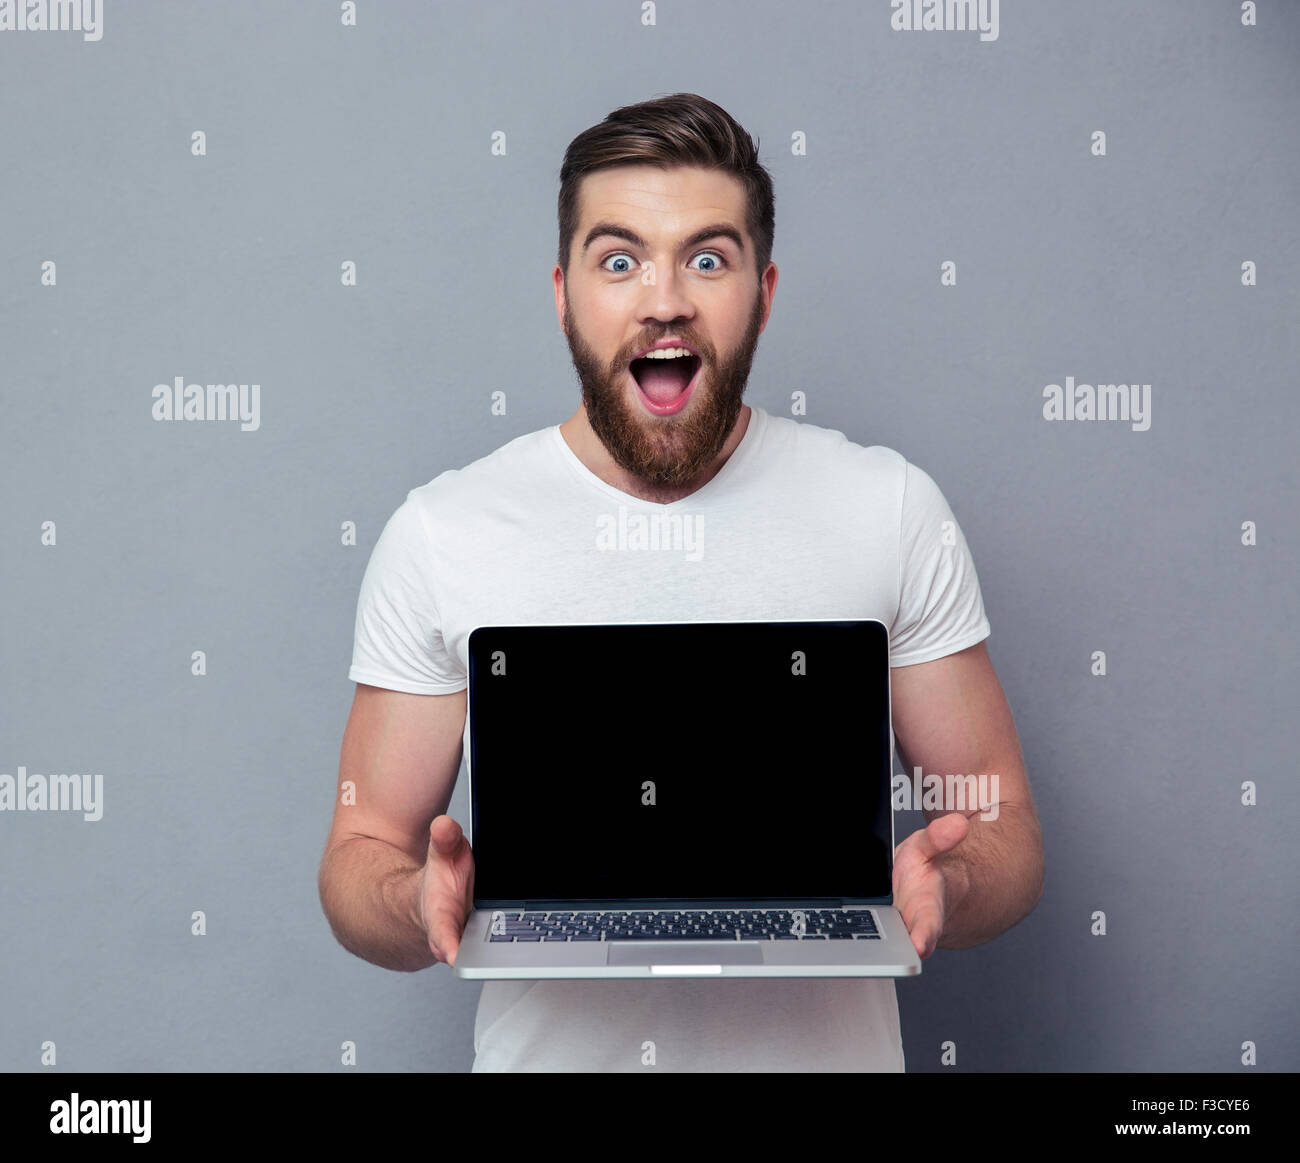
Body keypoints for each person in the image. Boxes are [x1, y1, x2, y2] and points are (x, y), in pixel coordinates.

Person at [317, 92, 1044, 1072]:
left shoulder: (890, 508)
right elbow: (362, 847)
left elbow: (1003, 827)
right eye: (619, 259)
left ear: (765, 291)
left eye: (708, 257)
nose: (665, 298)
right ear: (563, 293)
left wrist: (948, 885)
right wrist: (416, 900)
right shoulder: (444, 533)